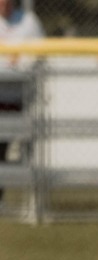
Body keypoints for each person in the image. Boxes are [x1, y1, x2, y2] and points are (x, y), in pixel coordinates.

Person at [0, 0, 43, 207]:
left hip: (18, 97)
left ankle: (31, 202)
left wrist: (20, 62)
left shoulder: (28, 22)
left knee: (12, 149)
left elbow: (39, 54)